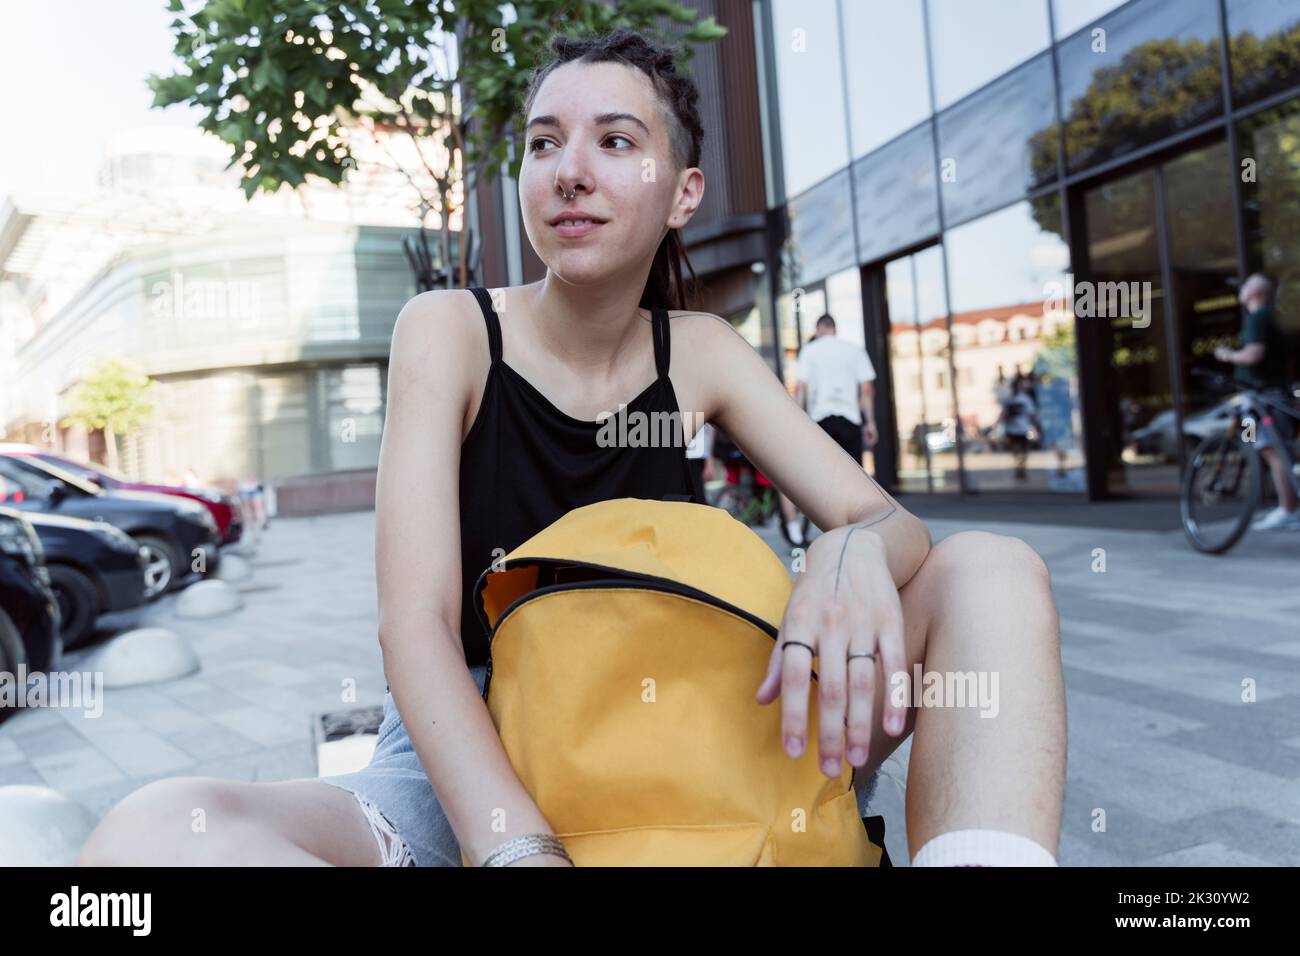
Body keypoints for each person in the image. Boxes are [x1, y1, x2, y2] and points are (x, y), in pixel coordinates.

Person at [79, 29, 1064, 869]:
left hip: (698, 716)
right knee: (153, 828)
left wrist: (839, 556)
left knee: (990, 568)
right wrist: (516, 848)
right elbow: (413, 627)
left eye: (613, 140)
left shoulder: (705, 351)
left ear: (682, 194)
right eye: (544, 142)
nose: (569, 168)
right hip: (479, 744)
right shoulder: (449, 330)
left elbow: (889, 521)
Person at [1215, 272, 1299, 531]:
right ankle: (1288, 507)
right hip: (1264, 396)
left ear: (1256, 292)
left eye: (1246, 285)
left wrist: (1227, 354)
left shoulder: (1260, 318)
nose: (1241, 289)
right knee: (1266, 447)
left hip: (1264, 396)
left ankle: (1288, 509)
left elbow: (1254, 355)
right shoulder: (1272, 318)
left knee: (1273, 450)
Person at [788, 314, 878, 544]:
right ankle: (857, 527)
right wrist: (870, 422)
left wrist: (797, 420)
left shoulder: (810, 351)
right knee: (855, 475)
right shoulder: (854, 349)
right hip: (850, 419)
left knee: (824, 477)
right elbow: (866, 389)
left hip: (822, 420)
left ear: (819, 328)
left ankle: (831, 528)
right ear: (834, 329)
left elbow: (801, 389)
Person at [998, 375, 1040, 481]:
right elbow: (1004, 414)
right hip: (1012, 429)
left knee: (1023, 450)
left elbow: (1031, 414)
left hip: (1023, 429)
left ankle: (1021, 468)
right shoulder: (1009, 400)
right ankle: (1019, 468)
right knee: (1016, 450)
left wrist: (1034, 427)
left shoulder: (1025, 399)